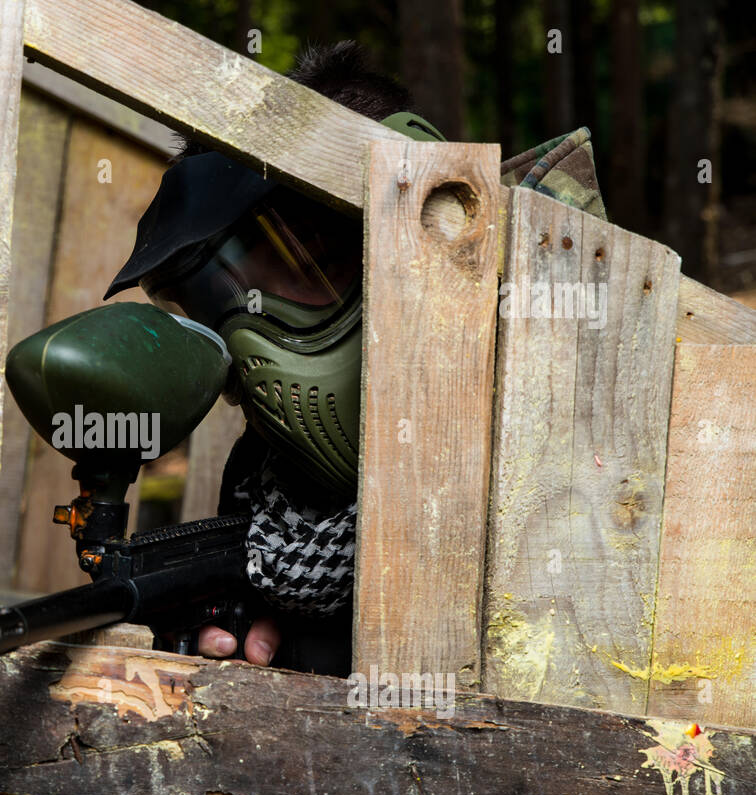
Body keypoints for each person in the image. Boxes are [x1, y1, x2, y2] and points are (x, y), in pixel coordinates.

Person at [106, 41, 607, 673]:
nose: (247, 345)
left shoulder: (593, 408)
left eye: (291, 266)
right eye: (213, 303)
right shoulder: (270, 495)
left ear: (419, 234)